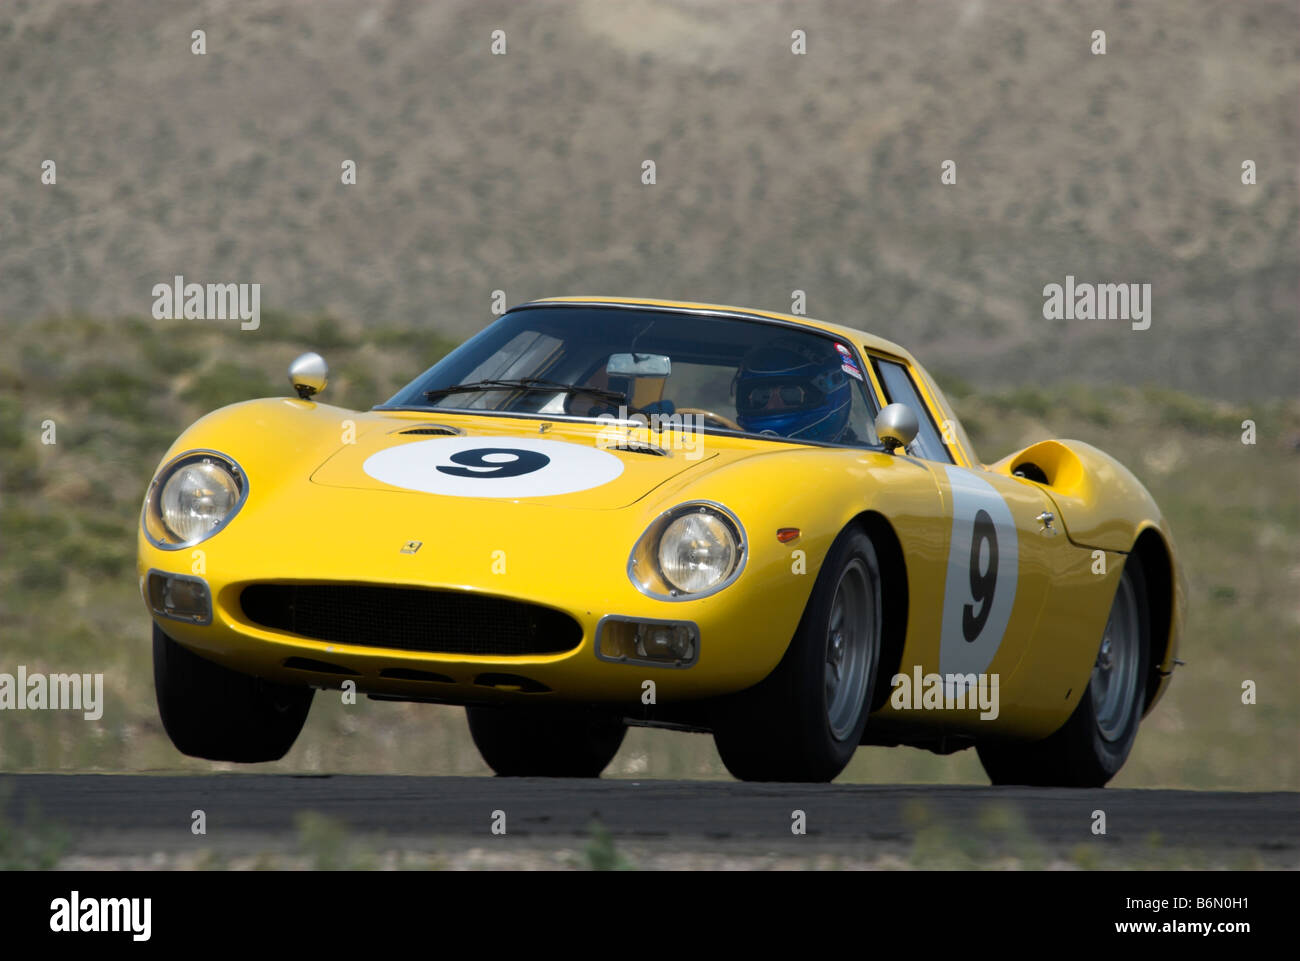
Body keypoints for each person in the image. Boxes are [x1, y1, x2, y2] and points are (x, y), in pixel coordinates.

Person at [733, 337, 853, 443]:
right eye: (760, 397)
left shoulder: (858, 464)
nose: (772, 405)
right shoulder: (728, 452)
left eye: (791, 395)